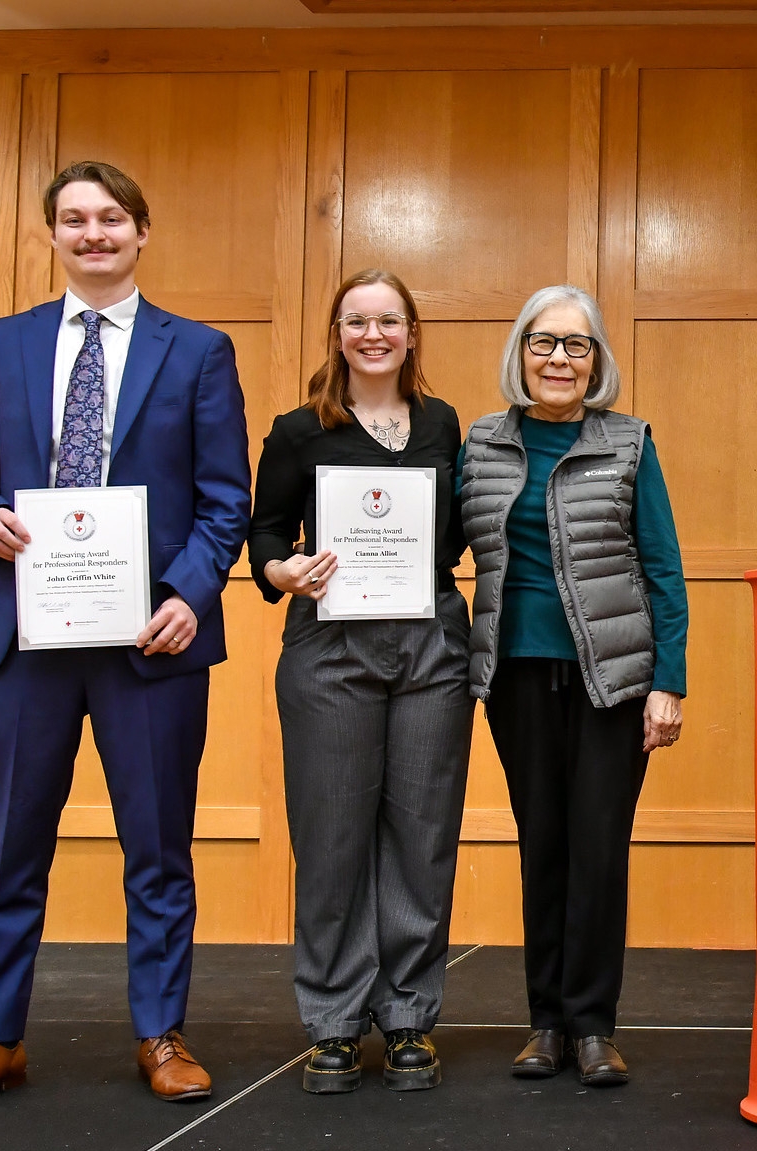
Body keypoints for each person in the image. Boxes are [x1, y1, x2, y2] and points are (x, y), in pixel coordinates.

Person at [0, 161, 251, 1111]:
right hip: (22, 633)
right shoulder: (2, 341)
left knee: (158, 848)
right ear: (52, 236)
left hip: (149, 640)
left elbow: (224, 496)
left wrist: (191, 592)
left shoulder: (197, 350)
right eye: (74, 220)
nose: (93, 233)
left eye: (111, 218)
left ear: (142, 232)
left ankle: (160, 1033)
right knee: (10, 849)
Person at [248, 269, 473, 1093]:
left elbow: (459, 532)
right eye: (355, 321)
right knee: (334, 836)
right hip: (330, 646)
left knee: (422, 833)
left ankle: (409, 1014)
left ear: (411, 333)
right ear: (335, 332)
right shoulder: (298, 429)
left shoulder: (445, 424)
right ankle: (336, 1022)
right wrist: (284, 567)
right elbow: (264, 530)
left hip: (428, 645)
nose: (372, 334)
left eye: (388, 320)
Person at [459, 285, 686, 1088]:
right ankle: (544, 1022)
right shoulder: (481, 443)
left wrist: (669, 682)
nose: (559, 358)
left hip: (613, 682)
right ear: (520, 353)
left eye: (576, 346)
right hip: (515, 673)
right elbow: (432, 542)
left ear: (597, 363)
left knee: (598, 848)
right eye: (544, 343)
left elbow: (661, 564)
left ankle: (593, 1026)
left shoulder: (628, 442)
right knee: (543, 845)